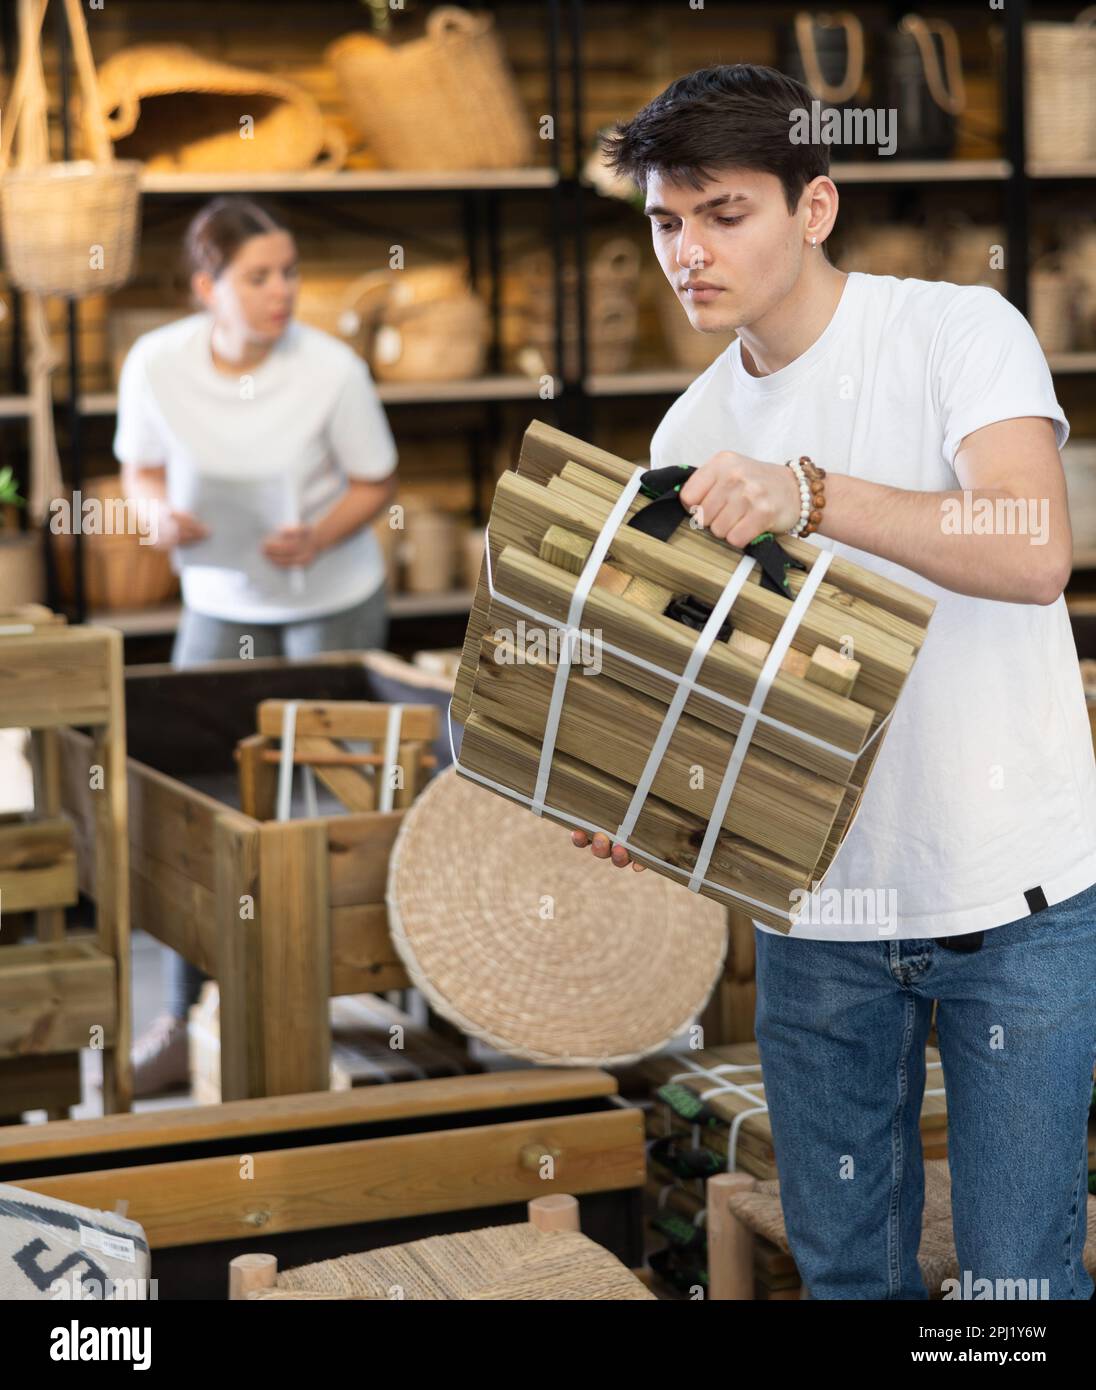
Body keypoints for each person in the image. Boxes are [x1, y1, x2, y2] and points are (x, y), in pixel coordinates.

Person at [573, 65, 1096, 1299]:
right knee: (853, 1278)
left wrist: (808, 494)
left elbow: (1031, 549)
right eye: (664, 221)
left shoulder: (956, 329)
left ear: (814, 206)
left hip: (1013, 898)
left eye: (723, 213)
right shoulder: (686, 433)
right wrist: (651, 796)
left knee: (1018, 1283)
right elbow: (720, 685)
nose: (687, 250)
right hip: (816, 920)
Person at [114, 196, 398, 1095]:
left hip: (331, 598)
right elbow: (140, 463)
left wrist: (318, 534)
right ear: (207, 288)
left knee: (320, 800)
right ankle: (181, 1018)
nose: (283, 291)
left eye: (289, 273)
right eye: (259, 276)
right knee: (198, 800)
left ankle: (312, 1013)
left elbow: (374, 481)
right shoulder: (155, 362)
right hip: (221, 597)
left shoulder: (334, 369)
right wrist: (155, 513)